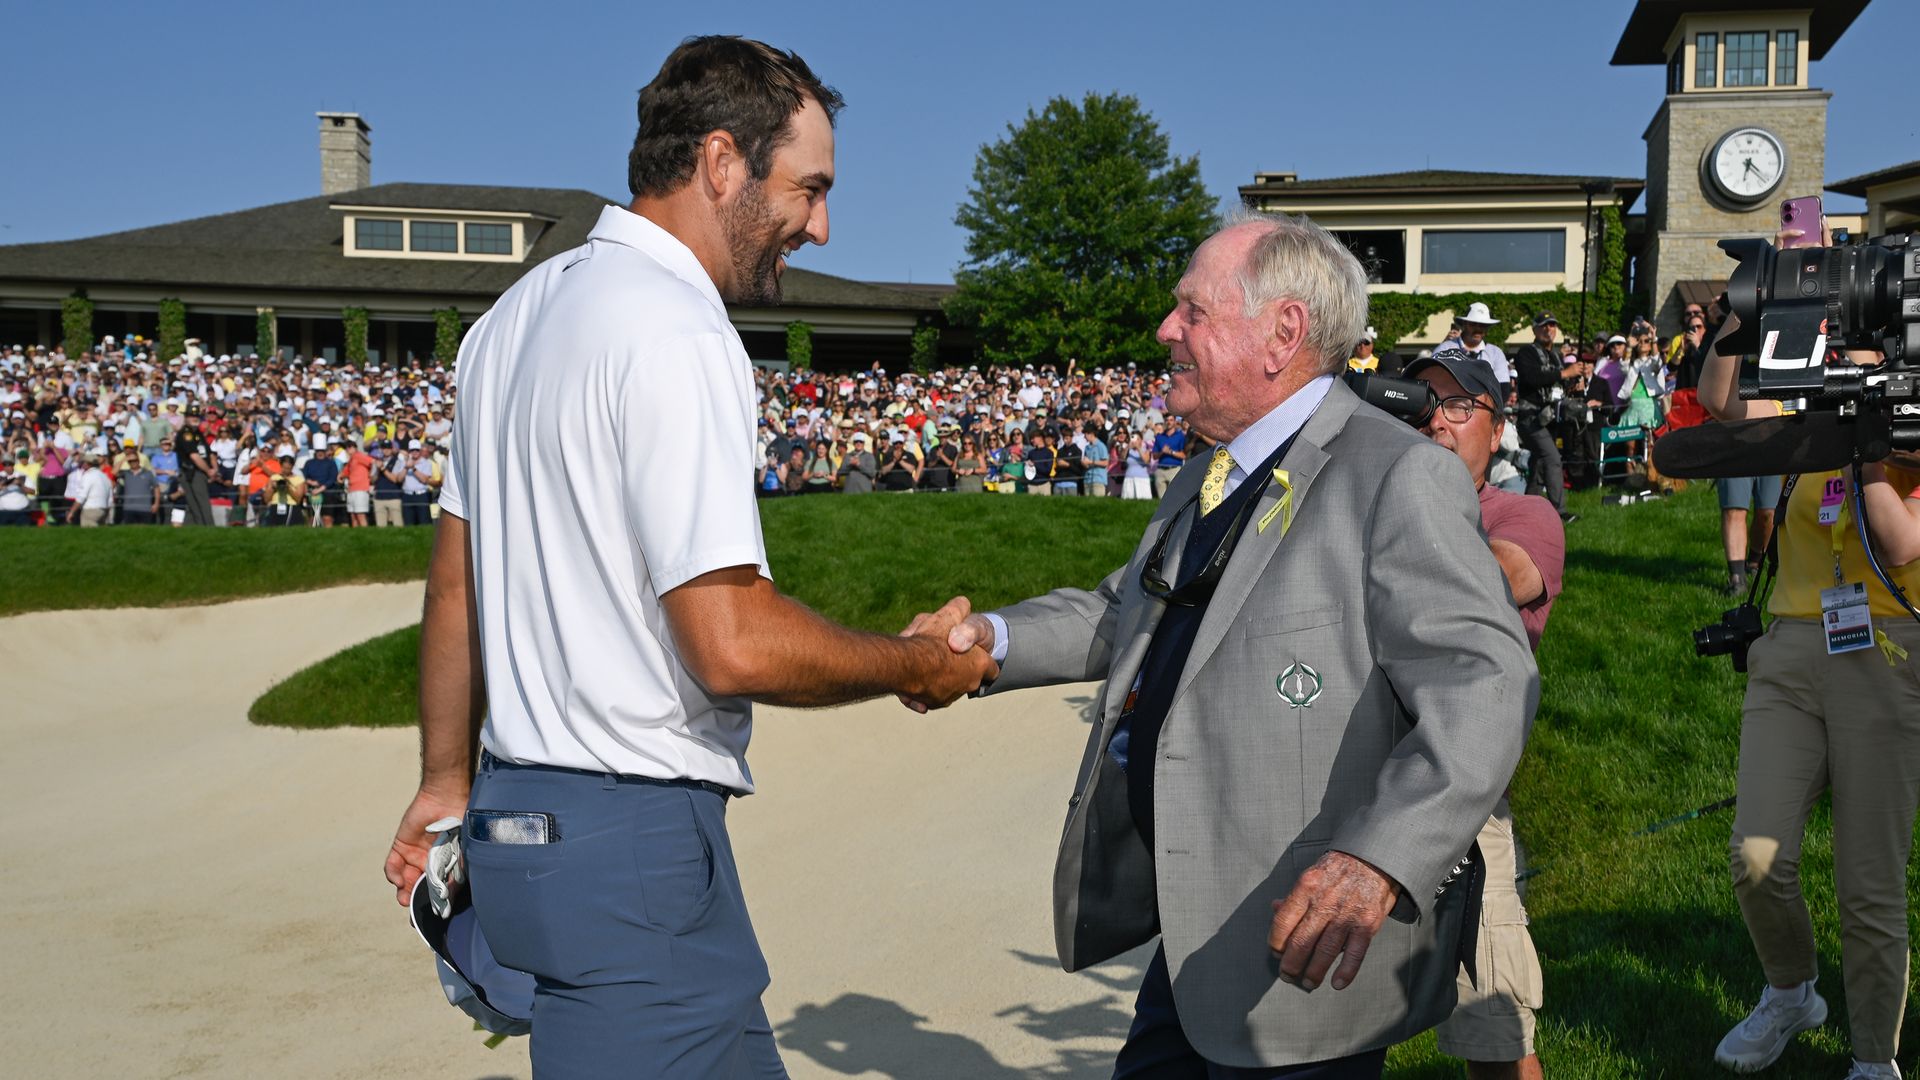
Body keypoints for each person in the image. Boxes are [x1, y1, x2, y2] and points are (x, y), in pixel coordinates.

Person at [381, 37, 996, 1079]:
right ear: (723, 162)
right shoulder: (676, 326)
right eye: (809, 187)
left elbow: (454, 585)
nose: (822, 223)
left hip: (521, 820)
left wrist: (444, 782)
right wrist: (918, 665)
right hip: (630, 850)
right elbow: (730, 643)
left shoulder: (512, 317)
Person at [928, 214, 1536, 1077]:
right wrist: (986, 638)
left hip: (1302, 954)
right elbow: (1123, 612)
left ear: (1283, 332)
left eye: (1192, 312)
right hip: (1197, 935)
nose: (1165, 331)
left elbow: (1487, 685)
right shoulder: (1206, 474)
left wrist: (1381, 859)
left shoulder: (1396, 473)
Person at [1699, 266, 1920, 1080]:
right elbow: (1724, 402)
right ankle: (1791, 992)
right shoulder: (1804, 406)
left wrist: (1866, 440)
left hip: (1888, 652)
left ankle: (1873, 1059)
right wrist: (1737, 314)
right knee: (1756, 858)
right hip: (1790, 647)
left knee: (1870, 888)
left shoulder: (1908, 419)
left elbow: (1899, 543)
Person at [1407, 350, 1565, 1080]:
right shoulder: (1373, 503)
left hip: (1464, 802)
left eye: (1459, 405)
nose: (1437, 417)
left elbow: (1508, 575)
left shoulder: (1521, 512)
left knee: (1493, 1031)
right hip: (1351, 789)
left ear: (1496, 429)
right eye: (1422, 401)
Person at [1510, 314, 1574, 519]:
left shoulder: (1556, 356)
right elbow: (1532, 378)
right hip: (1531, 418)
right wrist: (1564, 374)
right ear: (1535, 330)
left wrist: (1573, 380)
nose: (1549, 330)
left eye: (1553, 325)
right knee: (1552, 458)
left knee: (1538, 464)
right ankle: (1559, 512)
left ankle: (1528, 510)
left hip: (1550, 418)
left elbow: (1558, 384)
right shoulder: (1525, 353)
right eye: (1544, 326)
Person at [1445, 301, 1513, 389]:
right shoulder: (1445, 348)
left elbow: (1503, 387)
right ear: (1464, 324)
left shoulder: (1495, 353)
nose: (1478, 329)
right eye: (1473, 324)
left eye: (1483, 325)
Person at [117, 455, 160, 525]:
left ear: (138, 461)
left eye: (135, 460)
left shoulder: (148, 473)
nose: (133, 462)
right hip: (129, 508)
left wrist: (156, 503)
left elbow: (156, 488)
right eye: (130, 461)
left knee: (145, 532)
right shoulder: (125, 473)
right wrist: (123, 459)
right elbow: (114, 472)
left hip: (145, 508)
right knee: (129, 532)